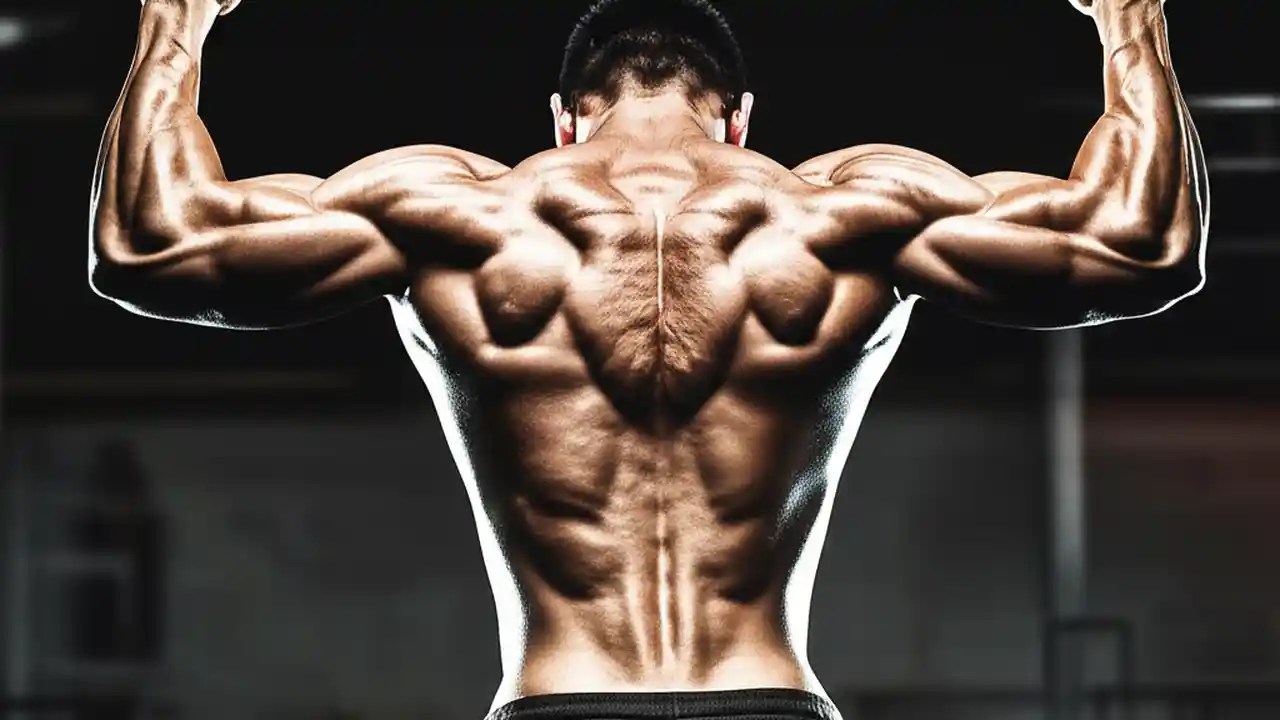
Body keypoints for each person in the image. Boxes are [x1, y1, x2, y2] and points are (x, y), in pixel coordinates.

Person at [89, 0, 1207, 718]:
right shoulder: (848, 212)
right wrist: (1128, 22)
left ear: (565, 118)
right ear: (738, 119)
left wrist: (175, 24)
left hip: (554, 699)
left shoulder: (455, 213)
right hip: (763, 698)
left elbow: (149, 242)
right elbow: (1143, 243)